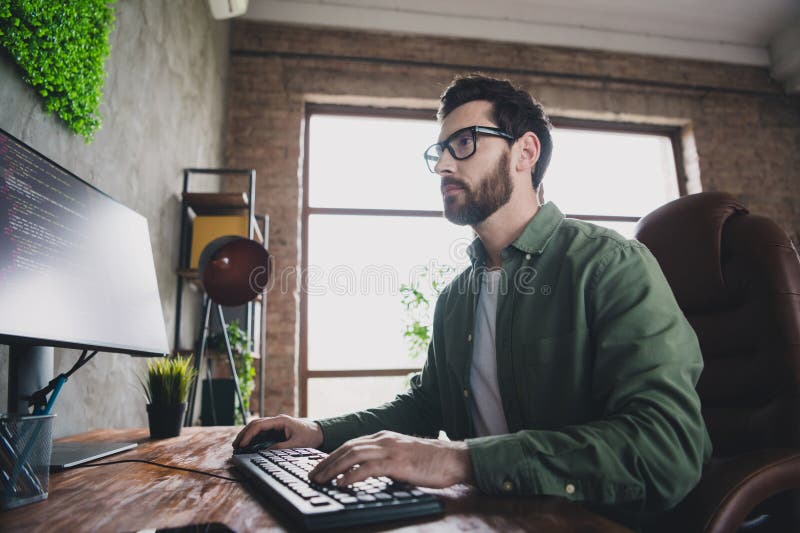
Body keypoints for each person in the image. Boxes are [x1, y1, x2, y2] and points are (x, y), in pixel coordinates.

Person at [234, 74, 711, 527]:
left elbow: (666, 447)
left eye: (464, 143)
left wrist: (462, 460)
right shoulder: (456, 297)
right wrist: (316, 432)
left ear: (525, 151)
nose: (443, 165)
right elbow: (426, 408)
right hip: (491, 519)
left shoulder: (610, 264)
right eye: (440, 150)